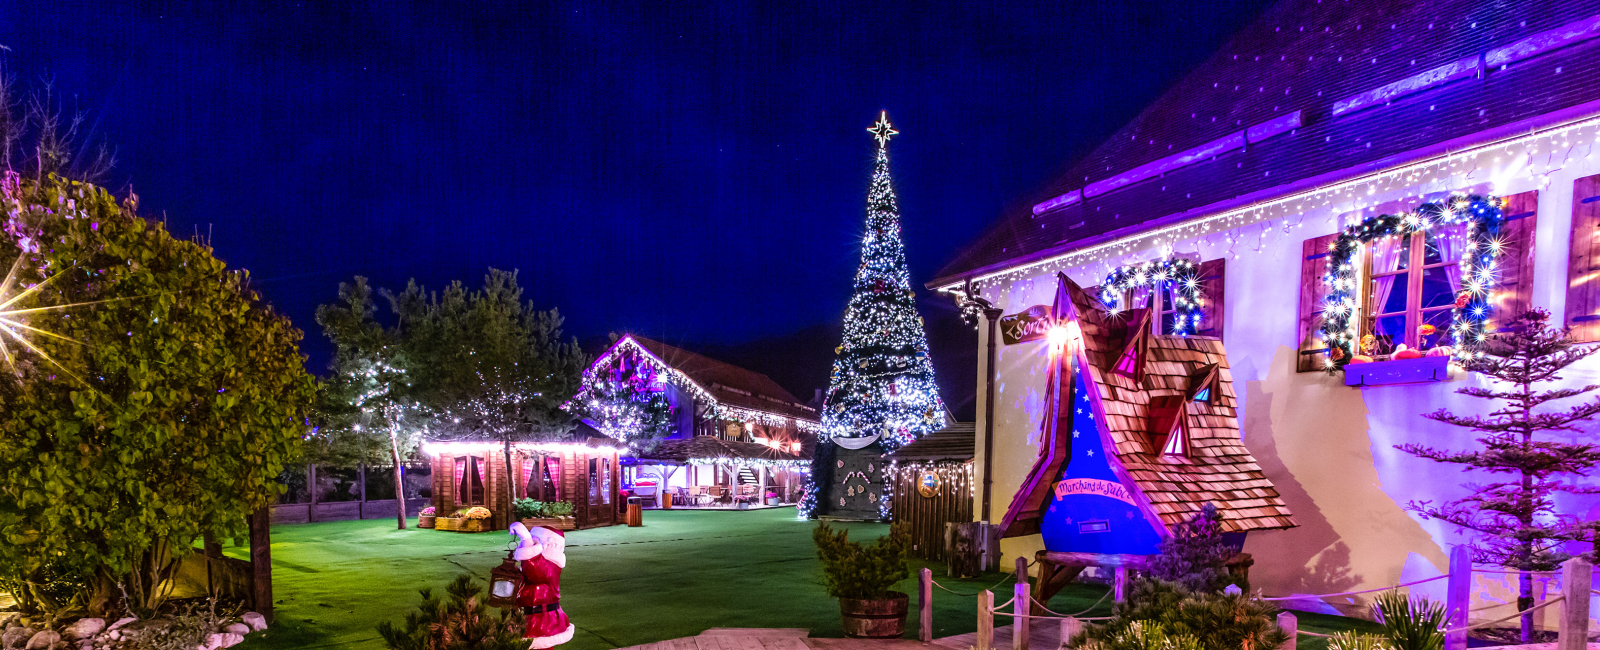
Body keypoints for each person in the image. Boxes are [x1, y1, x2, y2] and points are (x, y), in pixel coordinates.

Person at [508, 522, 575, 649]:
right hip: (529, 617)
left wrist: (526, 539)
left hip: (541, 621)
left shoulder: (550, 565)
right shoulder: (533, 565)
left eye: (536, 542)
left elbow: (536, 570)